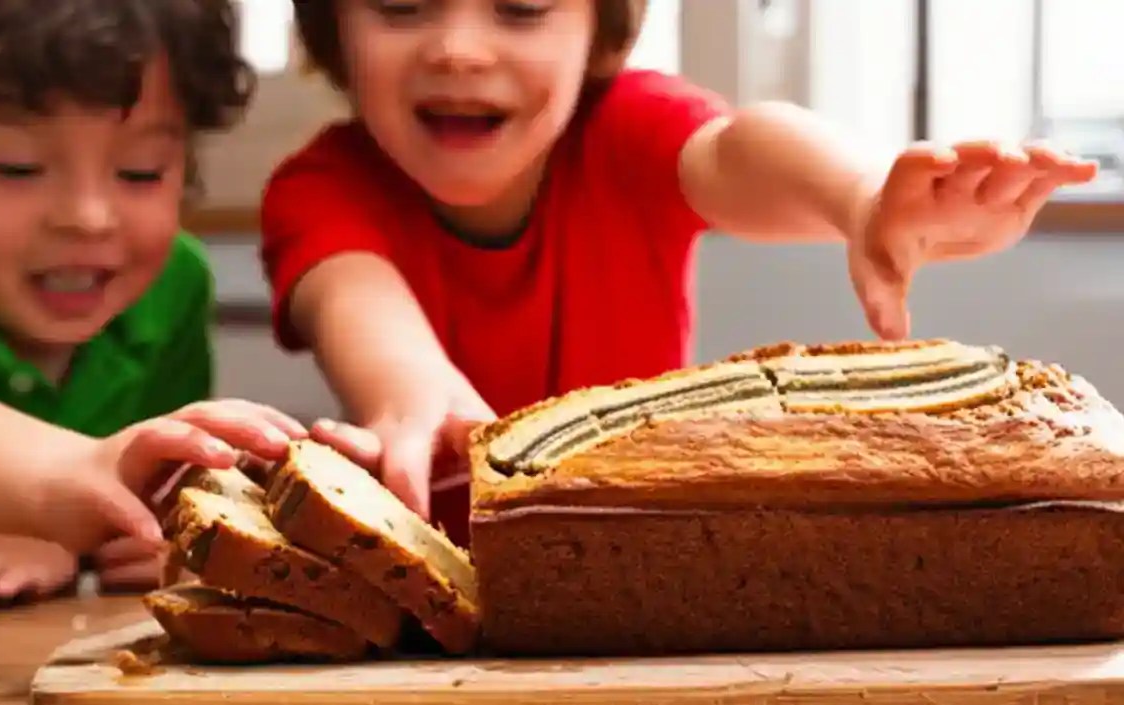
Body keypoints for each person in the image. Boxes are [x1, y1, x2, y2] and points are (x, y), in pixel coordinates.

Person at [260, 0, 1098, 548]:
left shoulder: (625, 130)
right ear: (332, 28)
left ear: (605, 33)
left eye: (521, 8)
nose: (458, 49)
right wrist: (411, 396)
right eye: (401, 5)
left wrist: (863, 197)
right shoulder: (319, 189)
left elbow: (741, 149)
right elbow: (353, 297)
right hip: (436, 574)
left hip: (641, 560)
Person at [0, 0, 307, 616]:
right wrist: (67, 475)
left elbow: (140, 516)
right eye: (17, 167)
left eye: (141, 171)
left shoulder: (167, 290)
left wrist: (132, 539)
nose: (89, 218)